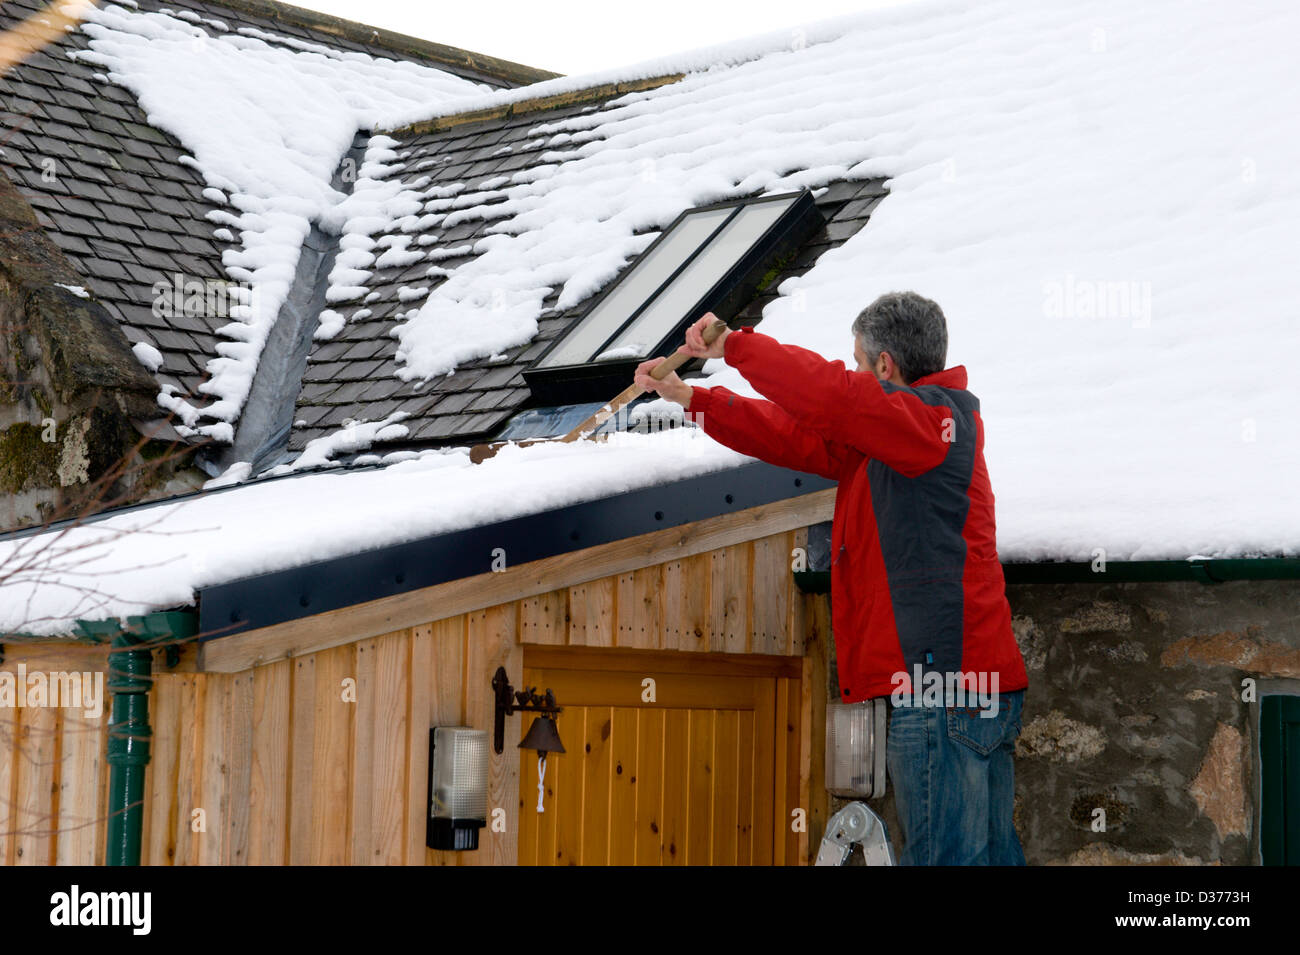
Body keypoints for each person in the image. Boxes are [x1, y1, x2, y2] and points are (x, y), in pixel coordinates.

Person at [633, 291, 1030, 865]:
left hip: (942, 691)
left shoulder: (928, 421)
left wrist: (734, 346)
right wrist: (693, 398)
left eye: (859, 364)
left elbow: (833, 397)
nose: (855, 375)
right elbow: (791, 433)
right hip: (971, 688)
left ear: (885, 367)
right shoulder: (895, 439)